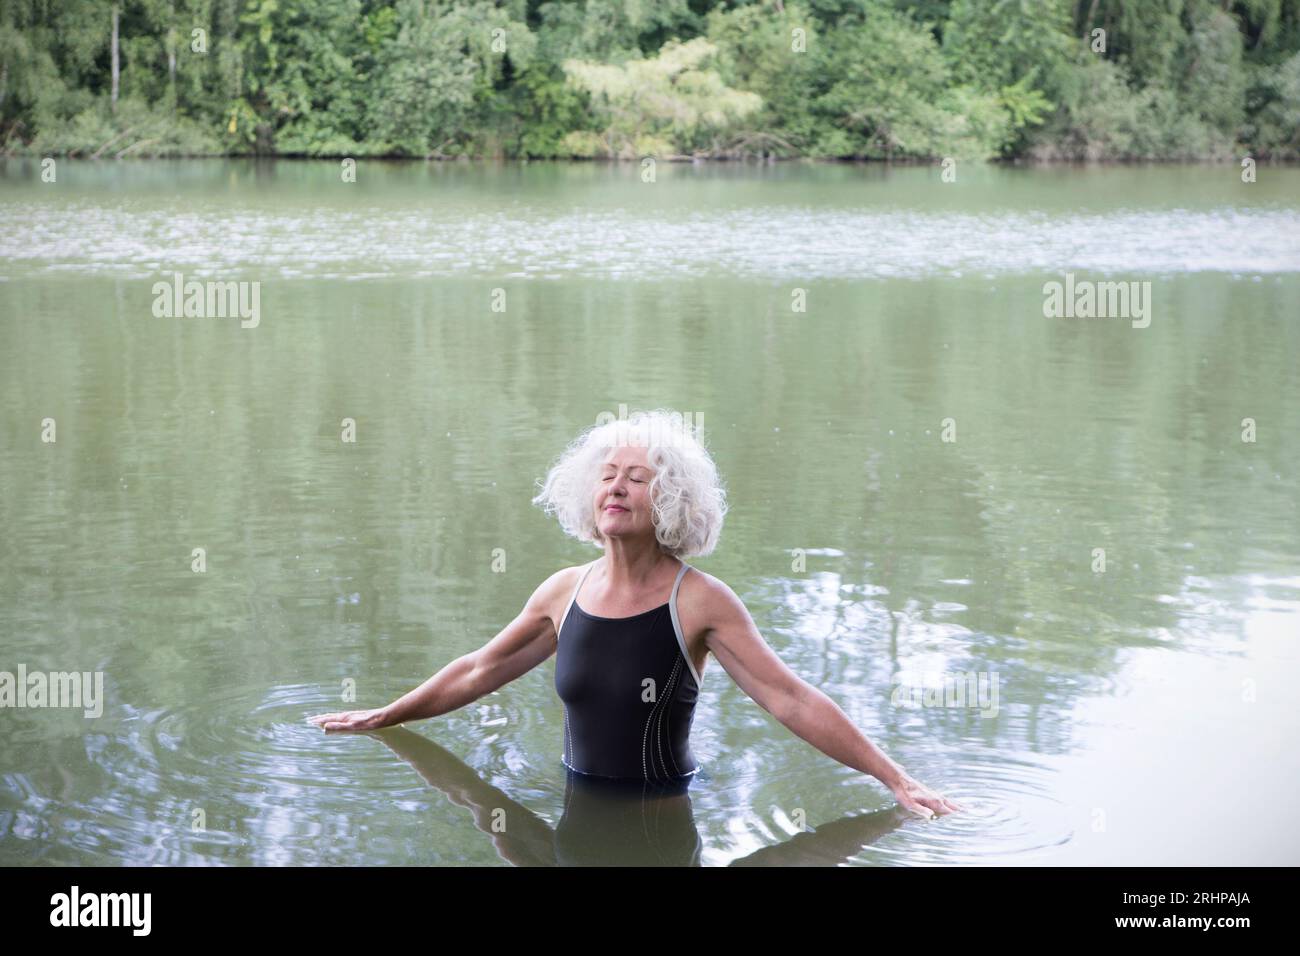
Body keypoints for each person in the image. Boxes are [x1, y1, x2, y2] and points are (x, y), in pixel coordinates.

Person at [309, 408, 962, 820]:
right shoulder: (562, 591)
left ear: (671, 499)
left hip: (659, 819)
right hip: (577, 804)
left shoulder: (699, 601)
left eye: (637, 478)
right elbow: (479, 669)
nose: (616, 486)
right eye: (607, 474)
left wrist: (896, 779)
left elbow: (790, 698)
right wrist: (385, 715)